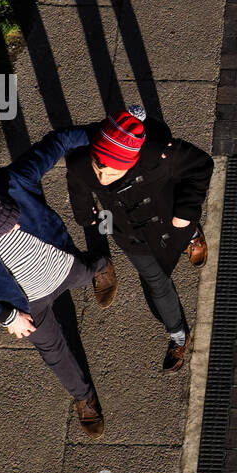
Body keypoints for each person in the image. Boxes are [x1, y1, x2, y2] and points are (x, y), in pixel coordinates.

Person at [0, 127, 108, 437]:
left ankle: (102, 267)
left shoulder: (14, 181)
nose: (14, 225)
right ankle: (83, 397)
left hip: (63, 264)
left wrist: (107, 135)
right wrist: (6, 316)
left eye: (10, 214)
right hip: (26, 304)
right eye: (2, 228)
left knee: (88, 270)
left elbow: (59, 141)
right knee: (53, 350)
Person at [66, 105, 213, 373]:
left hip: (169, 216)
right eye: (98, 168)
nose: (102, 178)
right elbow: (78, 183)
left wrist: (186, 212)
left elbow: (201, 165)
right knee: (156, 282)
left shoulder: (160, 155)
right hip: (131, 234)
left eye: (111, 173)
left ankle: (192, 234)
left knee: (184, 228)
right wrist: (85, 213)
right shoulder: (81, 162)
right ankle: (179, 334)